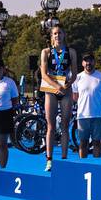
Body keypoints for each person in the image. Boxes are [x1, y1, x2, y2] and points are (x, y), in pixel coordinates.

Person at [40, 24, 78, 172]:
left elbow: (74, 73)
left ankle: (63, 158)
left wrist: (67, 85)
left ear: (64, 35)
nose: (57, 36)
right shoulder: (46, 52)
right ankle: (49, 160)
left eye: (60, 33)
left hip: (66, 88)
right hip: (51, 88)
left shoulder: (71, 52)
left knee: (64, 125)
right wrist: (57, 86)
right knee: (50, 126)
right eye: (55, 33)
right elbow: (44, 74)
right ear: (52, 36)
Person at [71, 53, 101, 159]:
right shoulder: (77, 78)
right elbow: (75, 96)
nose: (88, 63)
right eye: (86, 61)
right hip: (82, 116)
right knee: (83, 143)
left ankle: (97, 167)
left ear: (94, 62)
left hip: (98, 115)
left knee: (97, 143)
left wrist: (97, 103)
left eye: (91, 60)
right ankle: (83, 166)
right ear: (82, 63)